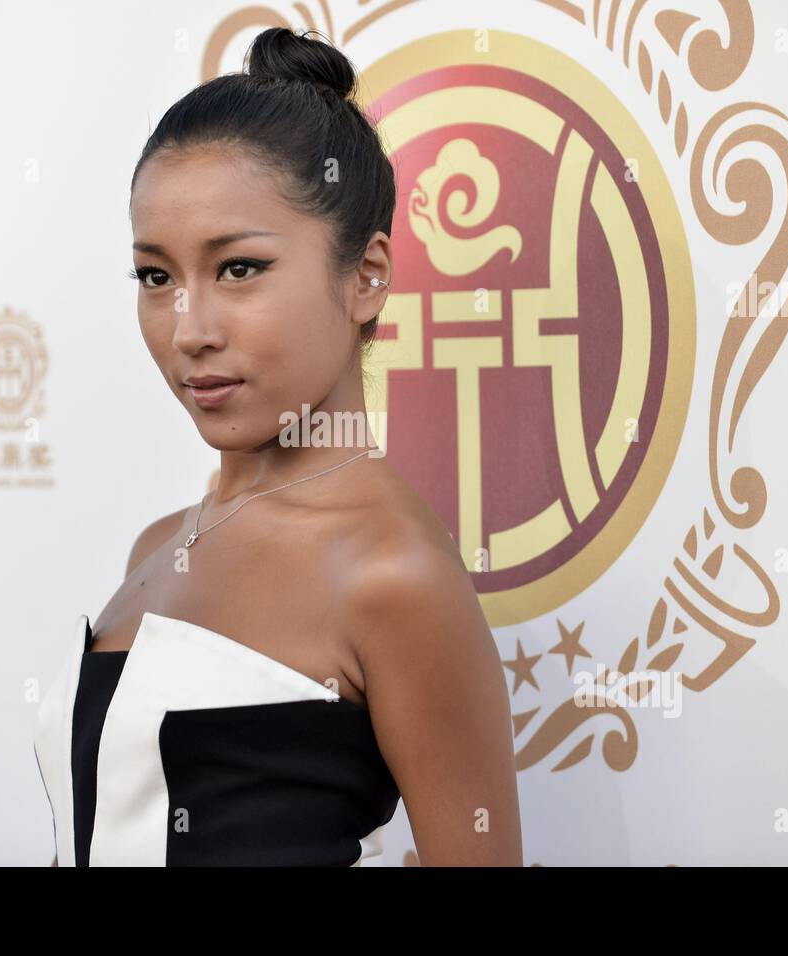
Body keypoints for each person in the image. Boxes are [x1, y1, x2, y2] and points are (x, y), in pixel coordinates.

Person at [35, 26, 521, 866]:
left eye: (238, 269)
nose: (189, 330)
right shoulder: (157, 547)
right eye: (156, 277)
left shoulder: (390, 575)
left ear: (365, 277)